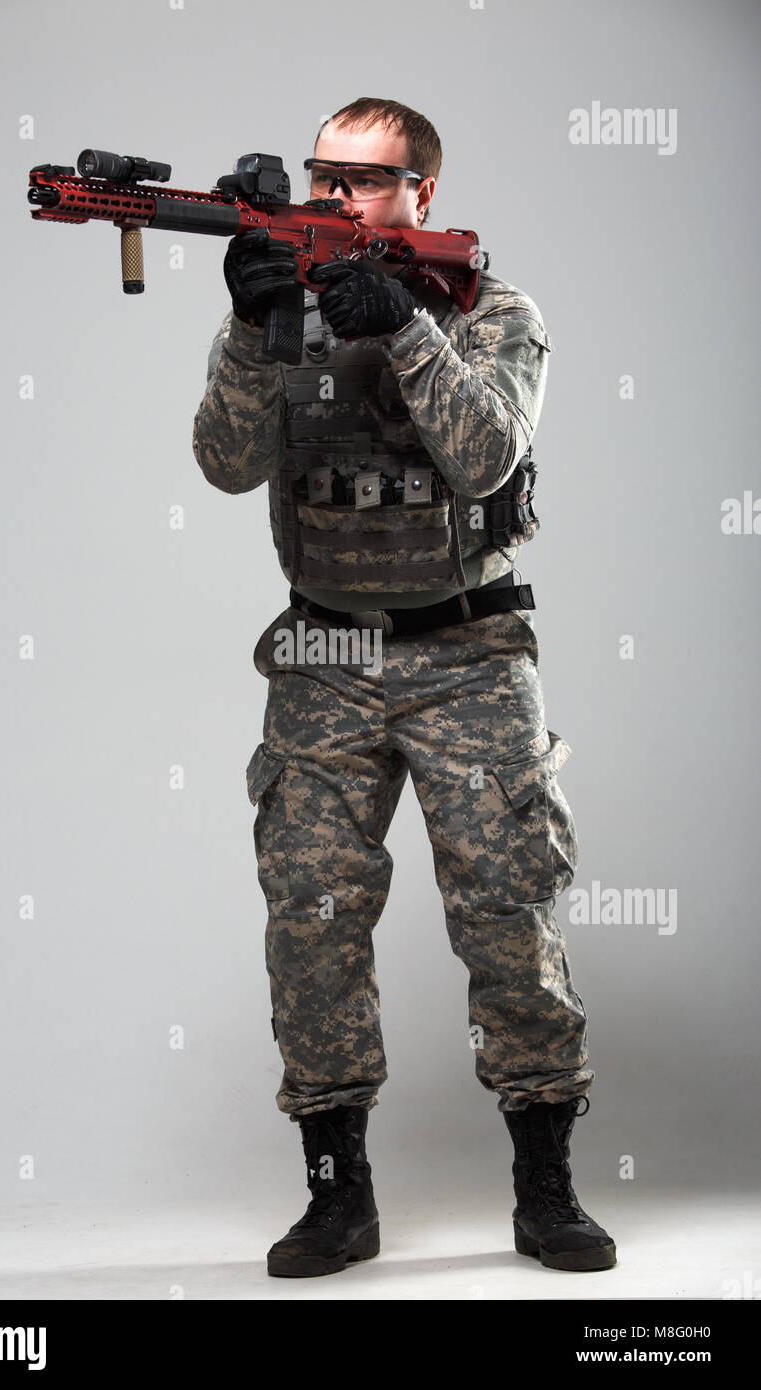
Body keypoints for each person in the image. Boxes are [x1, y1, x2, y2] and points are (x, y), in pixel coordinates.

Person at [192, 96, 616, 1278]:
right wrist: (248, 328)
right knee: (310, 924)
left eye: (363, 182)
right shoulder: (286, 310)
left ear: (421, 195)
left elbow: (488, 455)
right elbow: (223, 466)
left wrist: (407, 330)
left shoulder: (493, 309)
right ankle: (338, 1196)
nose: (334, 200)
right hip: (325, 654)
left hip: (467, 650)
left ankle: (545, 1190)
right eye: (321, 178)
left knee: (507, 914)